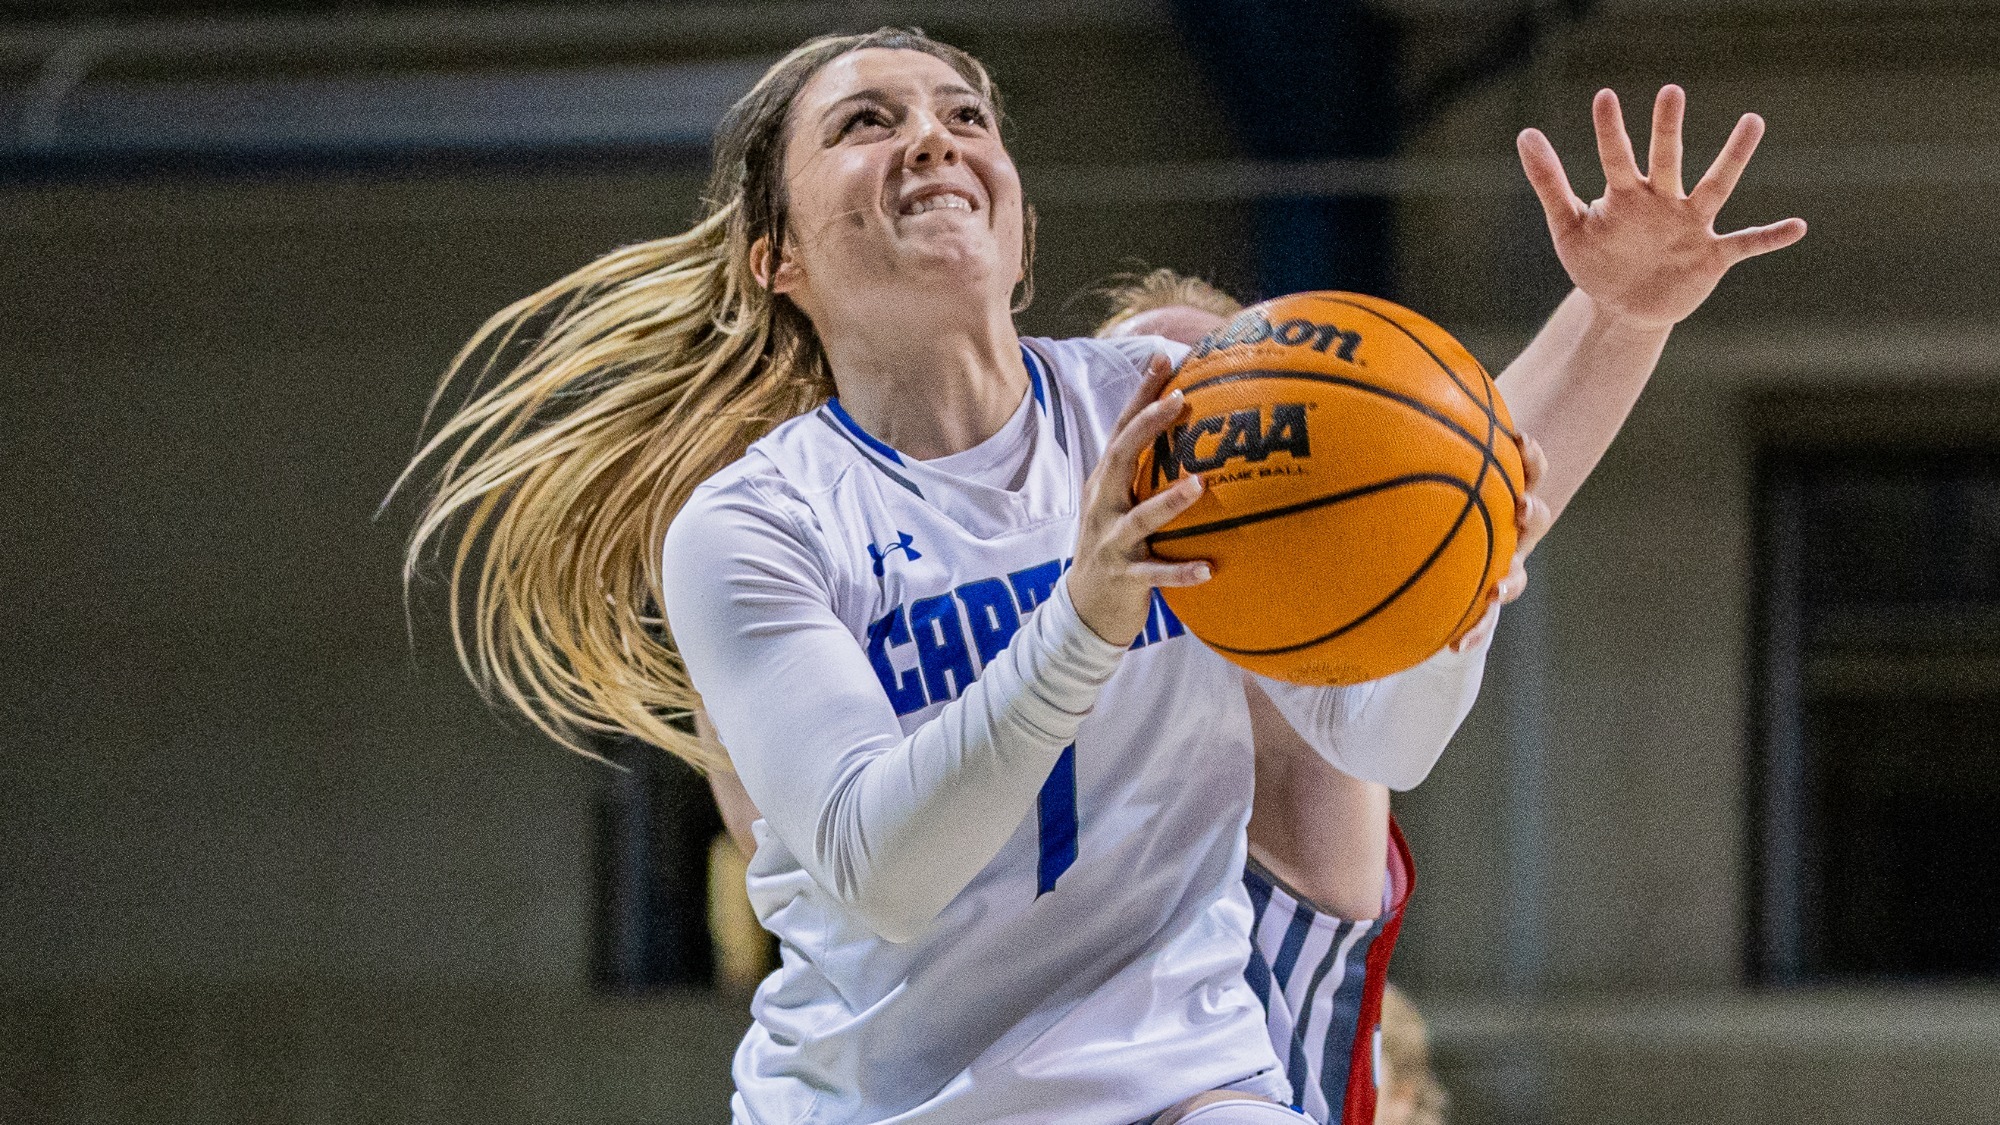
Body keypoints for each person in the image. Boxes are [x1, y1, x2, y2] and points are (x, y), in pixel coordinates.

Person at [397, 25, 1802, 1125]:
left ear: (1016, 224)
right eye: (868, 121)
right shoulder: (752, 528)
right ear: (777, 258)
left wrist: (1459, 577)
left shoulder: (1160, 403)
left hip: (1181, 1072)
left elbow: (1382, 738)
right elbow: (884, 874)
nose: (934, 139)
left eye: (967, 115)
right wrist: (1082, 615)